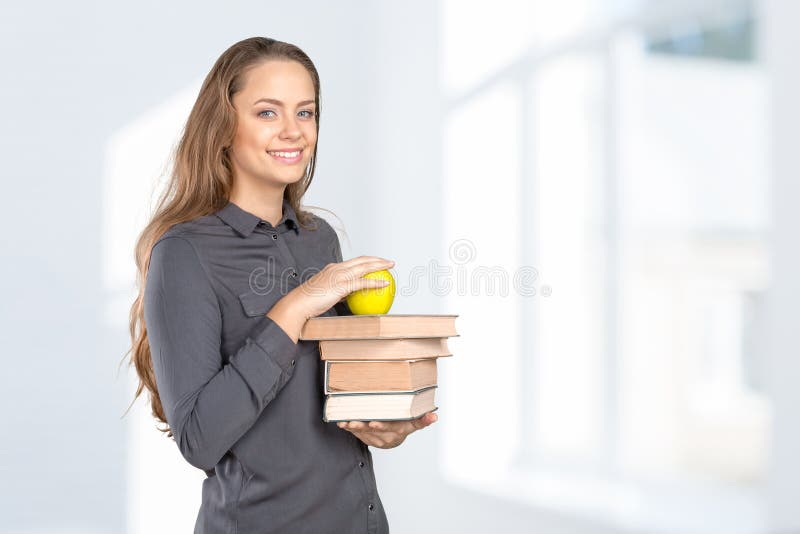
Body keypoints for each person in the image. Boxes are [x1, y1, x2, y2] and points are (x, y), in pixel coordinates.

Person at [126, 36, 437, 534]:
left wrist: (383, 424)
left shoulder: (320, 240)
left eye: (306, 113)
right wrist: (294, 308)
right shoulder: (184, 253)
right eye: (267, 113)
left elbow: (332, 396)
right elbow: (199, 440)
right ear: (224, 125)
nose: (293, 132)